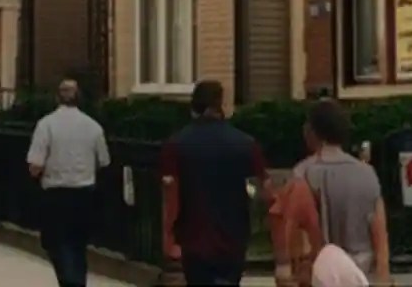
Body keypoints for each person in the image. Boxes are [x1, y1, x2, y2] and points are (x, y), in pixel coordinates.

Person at [161, 80, 275, 286]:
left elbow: (172, 194)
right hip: (234, 237)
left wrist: (168, 236)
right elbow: (264, 189)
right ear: (220, 104)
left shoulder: (176, 144)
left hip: (194, 238)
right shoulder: (246, 144)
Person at [277, 100, 390, 287]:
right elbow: (379, 233)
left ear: (312, 131)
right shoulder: (367, 173)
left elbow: (295, 231)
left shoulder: (303, 173)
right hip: (360, 274)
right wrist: (383, 276)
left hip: (321, 274)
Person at [26, 79, 110, 287]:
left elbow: (35, 166)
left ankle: (68, 280)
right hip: (84, 194)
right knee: (78, 244)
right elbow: (104, 161)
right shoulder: (93, 127)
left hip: (55, 194)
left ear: (56, 98)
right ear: (79, 97)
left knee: (56, 244)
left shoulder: (46, 125)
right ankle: (77, 280)